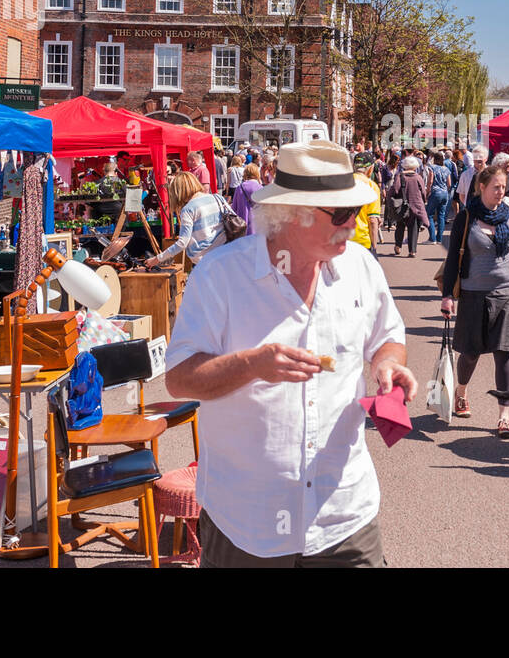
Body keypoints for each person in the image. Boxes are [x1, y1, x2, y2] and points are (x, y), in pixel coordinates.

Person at [164, 140, 416, 567]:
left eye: (355, 210)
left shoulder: (361, 266)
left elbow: (387, 338)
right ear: (291, 213)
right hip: (249, 521)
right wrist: (251, 364)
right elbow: (179, 379)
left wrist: (389, 364)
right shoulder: (222, 274)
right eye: (341, 214)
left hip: (344, 514)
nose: (354, 224)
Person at [440, 165, 509, 437]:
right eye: (495, 187)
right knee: (470, 353)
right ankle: (461, 391)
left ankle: (504, 416)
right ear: (481, 187)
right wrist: (448, 295)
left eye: (504, 187)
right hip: (473, 295)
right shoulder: (467, 217)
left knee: (504, 353)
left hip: (507, 293)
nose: (501, 192)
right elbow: (452, 263)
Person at [146, 171, 232, 270]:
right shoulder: (218, 198)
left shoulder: (188, 209)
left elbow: (182, 243)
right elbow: (234, 220)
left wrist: (157, 259)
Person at [389, 156, 429, 257]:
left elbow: (395, 190)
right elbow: (423, 193)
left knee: (400, 226)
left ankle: (398, 246)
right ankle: (412, 251)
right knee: (413, 228)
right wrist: (424, 200)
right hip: (415, 205)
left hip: (401, 205)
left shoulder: (399, 176)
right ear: (415, 166)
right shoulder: (418, 177)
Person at [350, 153, 383, 257]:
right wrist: (374, 246)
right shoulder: (371, 186)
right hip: (361, 240)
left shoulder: (342, 182)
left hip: (340, 238)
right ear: (370, 168)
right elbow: (373, 220)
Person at [426, 152, 453, 244]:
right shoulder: (446, 169)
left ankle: (432, 238)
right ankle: (439, 238)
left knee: (429, 215)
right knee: (441, 216)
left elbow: (430, 181)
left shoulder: (432, 168)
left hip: (435, 192)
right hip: (444, 193)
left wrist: (427, 192)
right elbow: (449, 184)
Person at [231, 163, 262, 237]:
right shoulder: (260, 188)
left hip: (242, 226)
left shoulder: (240, 187)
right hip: (256, 226)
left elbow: (234, 208)